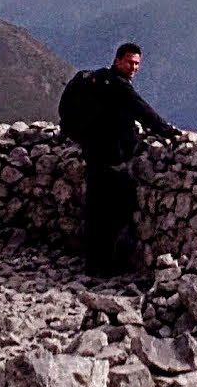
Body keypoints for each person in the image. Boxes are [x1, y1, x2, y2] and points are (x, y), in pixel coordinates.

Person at [59, 42, 182, 277]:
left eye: (136, 63)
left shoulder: (98, 80)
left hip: (93, 154)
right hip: (111, 159)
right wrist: (171, 132)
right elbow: (144, 112)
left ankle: (94, 263)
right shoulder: (118, 87)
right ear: (117, 61)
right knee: (113, 212)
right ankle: (105, 265)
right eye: (129, 62)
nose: (133, 67)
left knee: (96, 211)